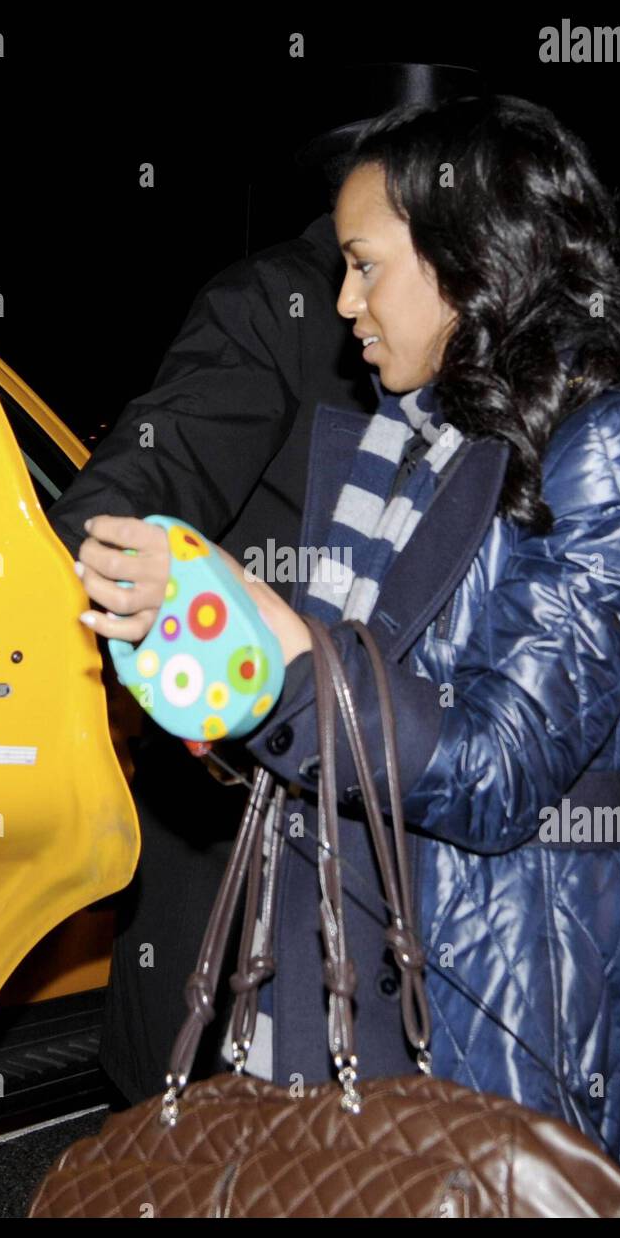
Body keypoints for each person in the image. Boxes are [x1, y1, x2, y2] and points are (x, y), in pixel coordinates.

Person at [79, 92, 620, 1214]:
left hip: (503, 1004)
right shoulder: (407, 440)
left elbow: (500, 771)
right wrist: (220, 675)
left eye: (363, 264)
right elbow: (344, 721)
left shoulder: (611, 448)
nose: (342, 302)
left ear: (467, 256)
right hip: (336, 974)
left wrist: (294, 660)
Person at [47, 64, 485, 1108]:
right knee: (205, 1136)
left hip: (407, 820)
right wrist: (161, 605)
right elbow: (121, 501)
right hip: (246, 824)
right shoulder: (277, 306)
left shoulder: (488, 348)